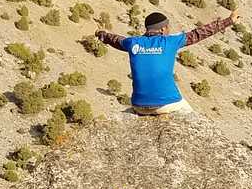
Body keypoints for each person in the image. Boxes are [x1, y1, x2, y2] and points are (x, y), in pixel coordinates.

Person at [93, 10, 236, 115]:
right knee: (193, 117)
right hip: (167, 104)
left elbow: (115, 40)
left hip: (139, 106)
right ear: (162, 29)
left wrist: (102, 34)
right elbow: (198, 33)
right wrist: (228, 21)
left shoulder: (132, 43)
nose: (169, 29)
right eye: (168, 27)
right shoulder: (170, 41)